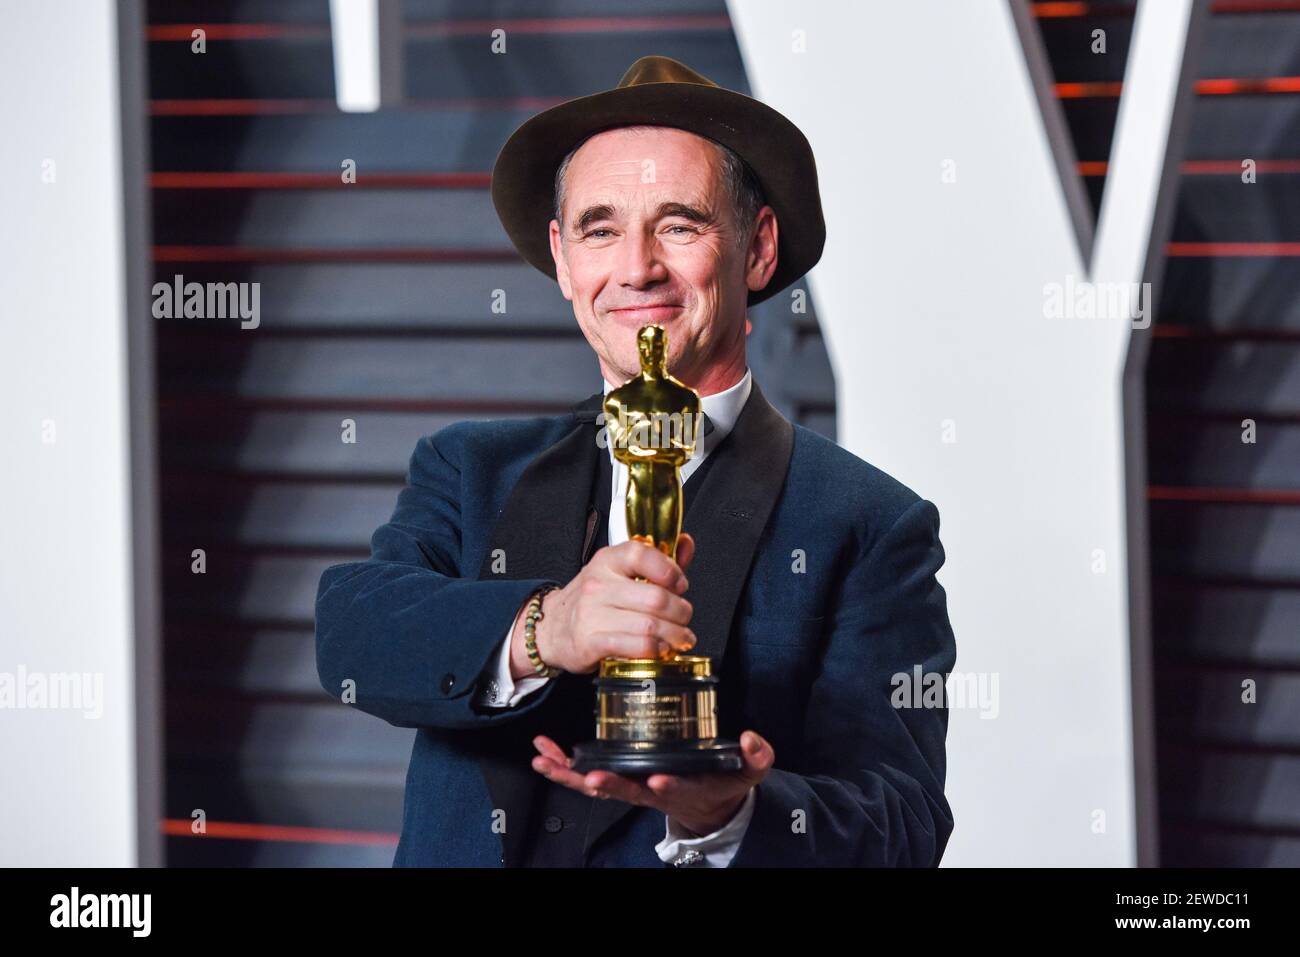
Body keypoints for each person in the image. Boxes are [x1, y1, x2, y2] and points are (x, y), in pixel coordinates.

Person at [315, 55, 957, 867]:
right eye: (600, 228)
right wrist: (546, 626)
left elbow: (901, 828)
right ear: (561, 258)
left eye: (680, 223)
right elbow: (352, 634)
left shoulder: (868, 522)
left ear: (758, 249)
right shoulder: (468, 466)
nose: (637, 266)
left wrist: (728, 814)